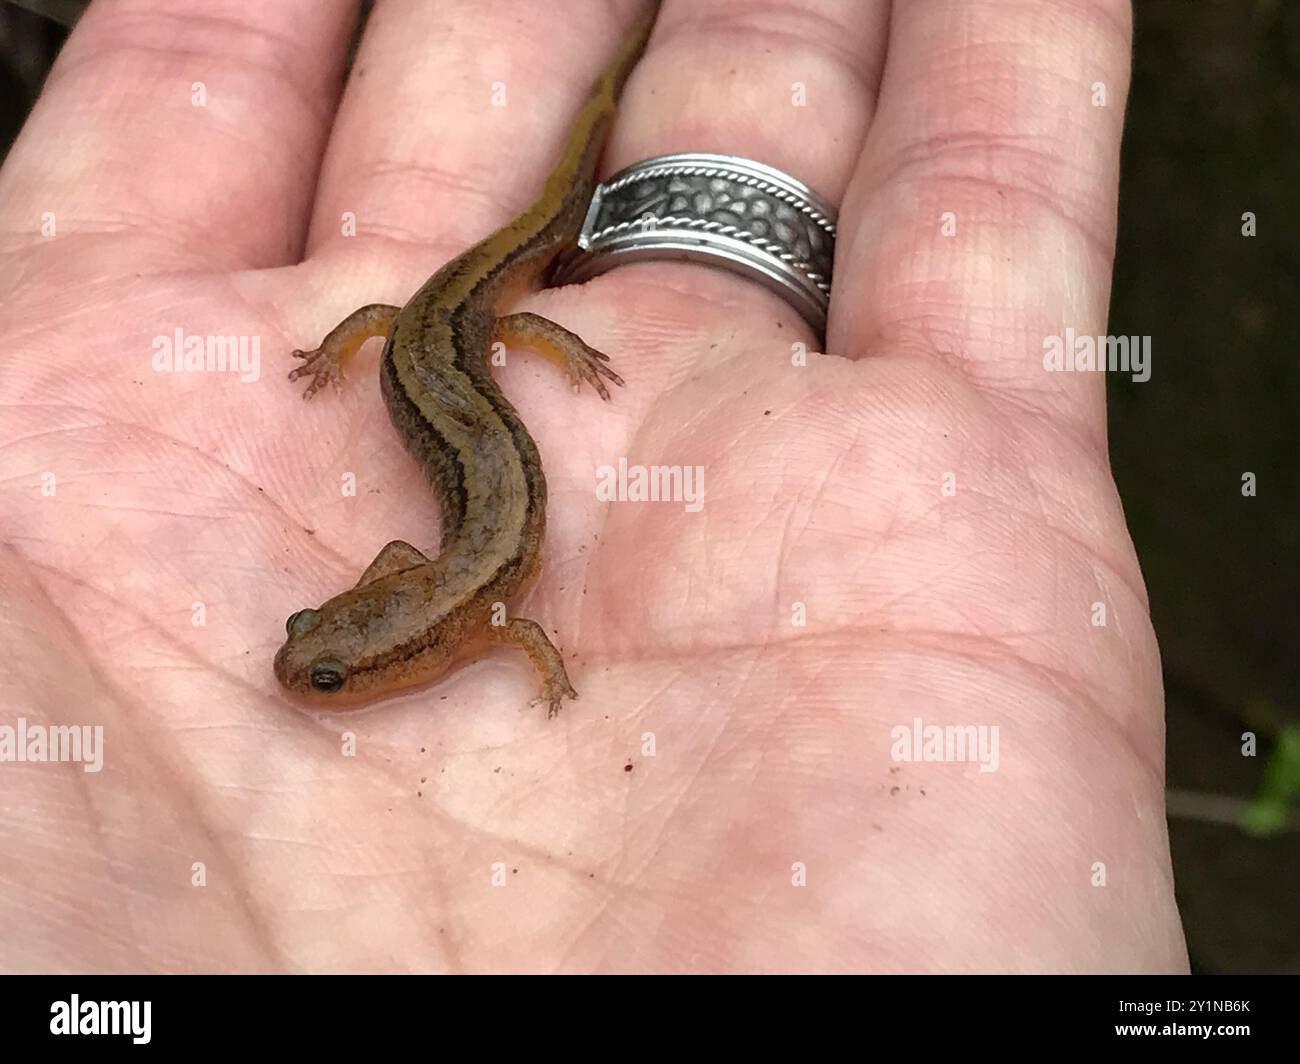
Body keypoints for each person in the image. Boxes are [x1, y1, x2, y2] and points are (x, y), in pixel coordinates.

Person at [0, 0, 1185, 972]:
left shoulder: (468, 611)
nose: (306, 658)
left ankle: (601, 112)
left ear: (405, 658)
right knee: (459, 327)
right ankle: (575, 168)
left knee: (497, 318)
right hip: (439, 349)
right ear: (397, 648)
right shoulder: (461, 607)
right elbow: (469, 601)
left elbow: (501, 619)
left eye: (322, 658)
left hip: (454, 338)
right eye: (318, 648)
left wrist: (551, 347)